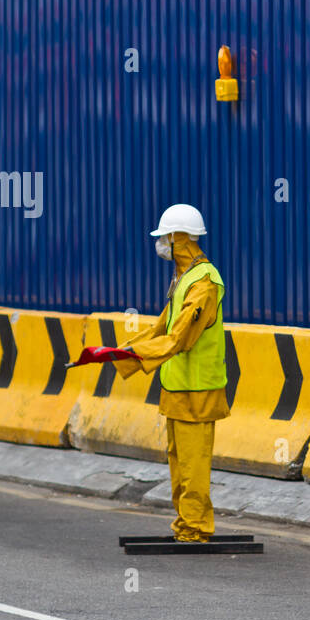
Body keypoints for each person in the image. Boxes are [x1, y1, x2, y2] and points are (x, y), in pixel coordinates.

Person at [115, 204, 229, 542]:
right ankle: (185, 523)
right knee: (178, 462)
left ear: (181, 238)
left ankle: (196, 527)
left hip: (199, 390)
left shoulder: (204, 284)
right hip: (177, 388)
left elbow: (179, 338)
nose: (162, 243)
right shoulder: (182, 279)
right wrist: (121, 353)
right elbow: (160, 327)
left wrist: (135, 356)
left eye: (166, 237)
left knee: (194, 466)